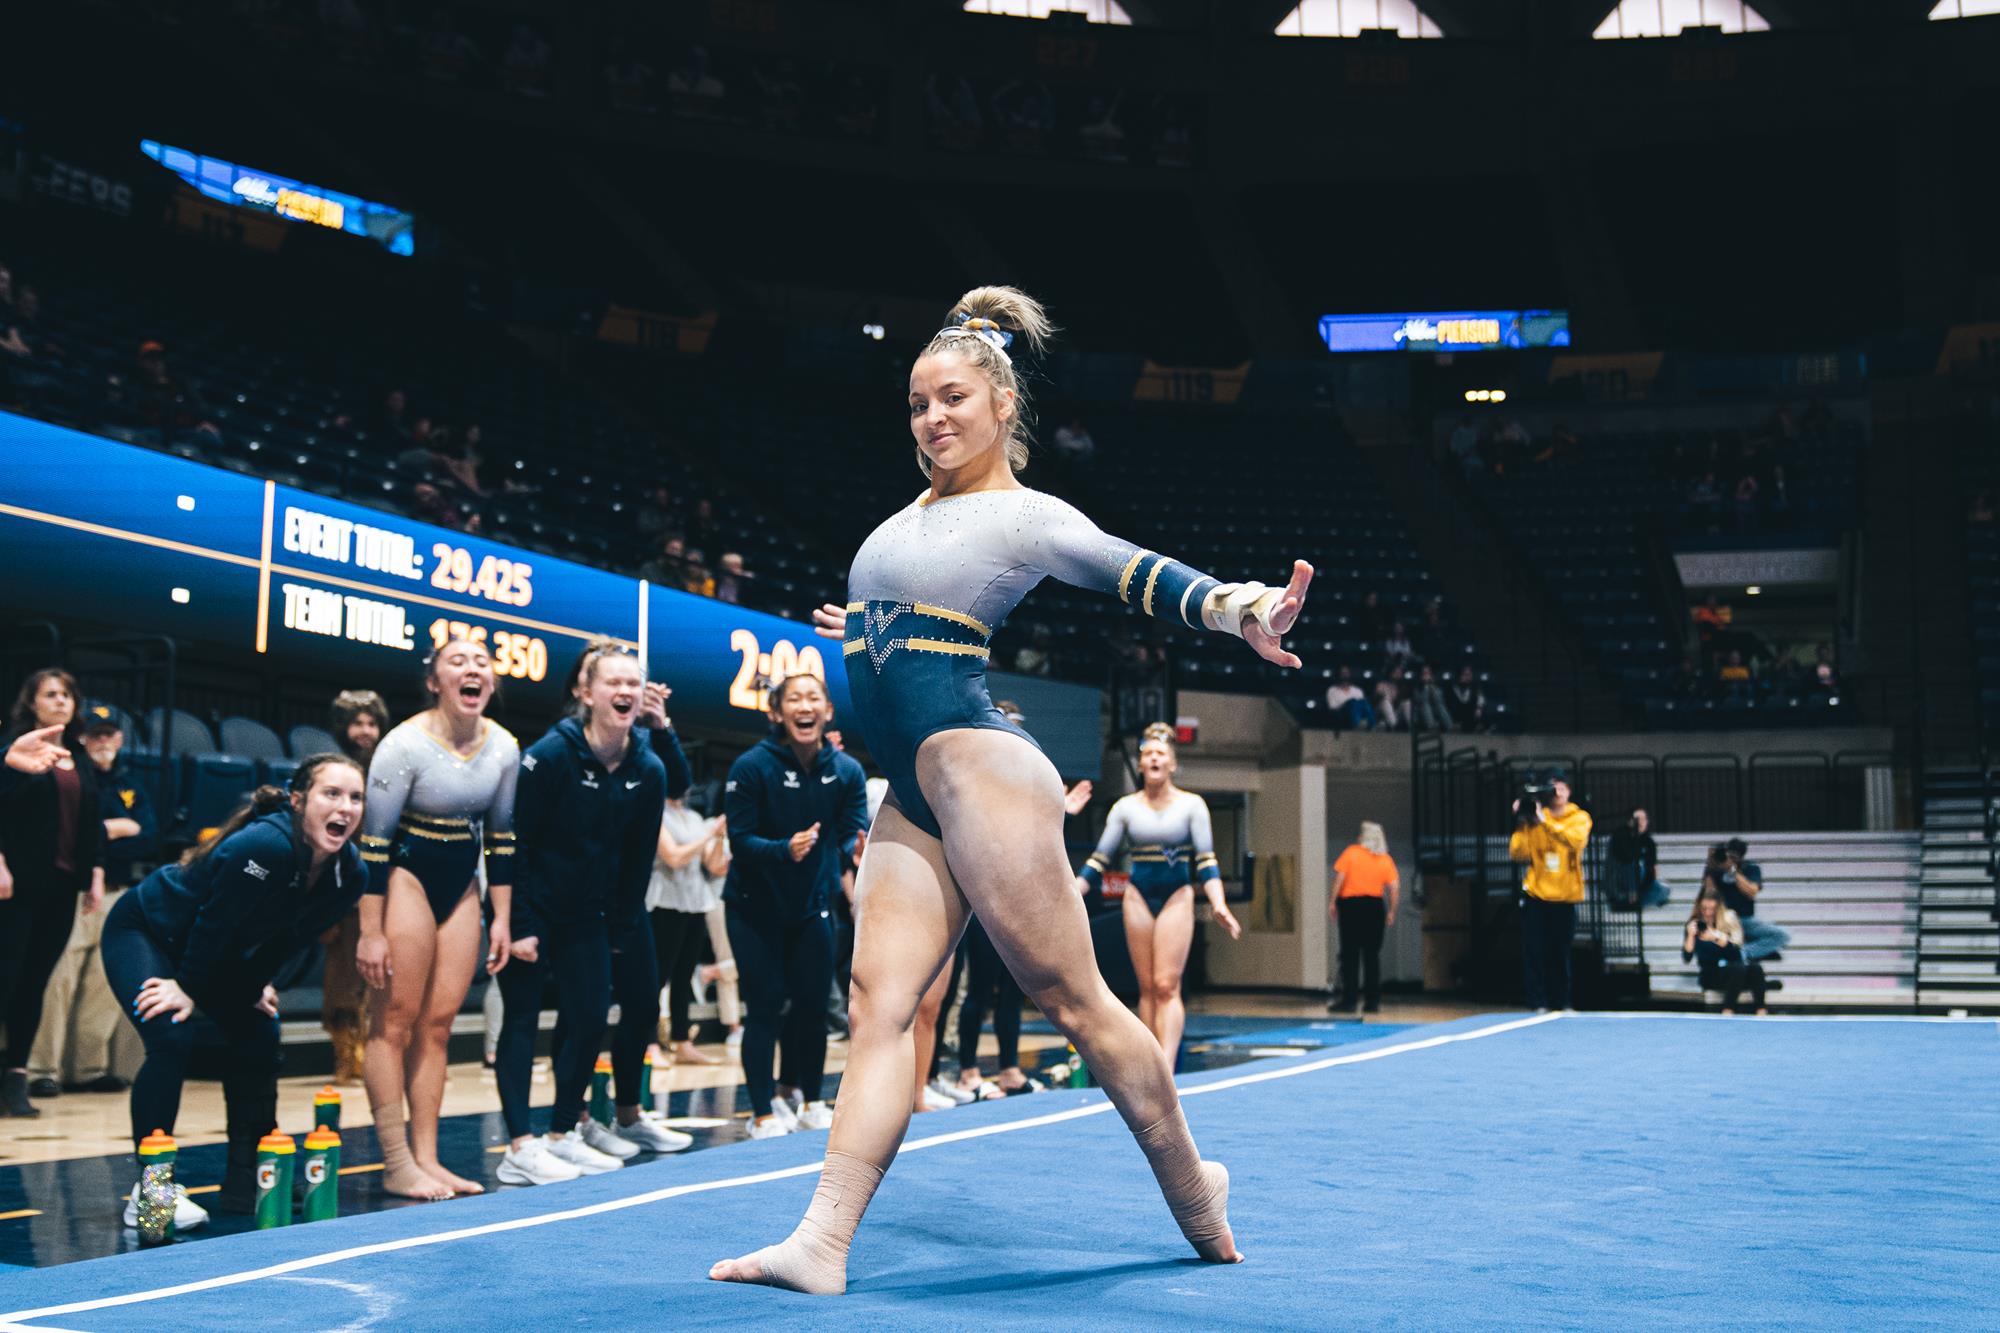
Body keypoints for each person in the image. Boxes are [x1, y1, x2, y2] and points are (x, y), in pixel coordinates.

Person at [714, 285, 1306, 1293]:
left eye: (951, 397)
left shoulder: (1023, 513)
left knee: (1071, 1001)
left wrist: (1235, 603)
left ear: (1001, 407)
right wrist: (859, 634)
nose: (932, 417)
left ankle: (1190, 1186)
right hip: (916, 784)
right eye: (915, 403)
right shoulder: (909, 519)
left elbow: (1129, 570)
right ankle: (820, 1241)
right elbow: (900, 624)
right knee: (878, 1007)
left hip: (975, 764)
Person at [96, 755, 368, 1227]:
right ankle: (152, 1195)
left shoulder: (351, 875)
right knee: (171, 1035)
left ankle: (249, 1182)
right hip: (147, 932)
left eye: (356, 798)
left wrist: (253, 984)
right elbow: (213, 923)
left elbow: (287, 941)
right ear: (298, 800)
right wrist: (185, 988)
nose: (344, 807)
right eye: (331, 794)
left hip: (206, 953)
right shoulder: (266, 845)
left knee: (261, 1032)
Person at [494, 642, 674, 1185]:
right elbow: (511, 842)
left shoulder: (649, 767)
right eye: (612, 682)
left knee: (591, 1017)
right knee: (523, 1022)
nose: (624, 691)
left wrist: (621, 925)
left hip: (589, 916)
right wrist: (519, 922)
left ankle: (561, 1132)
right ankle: (518, 1145)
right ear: (585, 691)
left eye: (632, 683)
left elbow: (639, 859)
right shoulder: (549, 755)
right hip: (536, 909)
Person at [356, 640, 519, 1199]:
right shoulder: (401, 745)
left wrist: (502, 918)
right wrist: (371, 931)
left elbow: (501, 838)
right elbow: (372, 845)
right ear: (433, 681)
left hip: (462, 883)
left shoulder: (504, 747)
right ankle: (396, 1160)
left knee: (439, 1025)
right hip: (405, 875)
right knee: (395, 1020)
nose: (472, 670)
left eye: (481, 664)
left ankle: (427, 1157)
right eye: (458, 662)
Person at [723, 674, 868, 1139]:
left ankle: (810, 1100)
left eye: (814, 698)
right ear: (777, 713)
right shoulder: (751, 766)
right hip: (753, 908)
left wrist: (856, 846)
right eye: (794, 699)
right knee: (764, 1008)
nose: (805, 706)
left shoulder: (846, 771)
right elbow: (740, 841)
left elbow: (849, 828)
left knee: (811, 1008)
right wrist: (783, 848)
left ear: (827, 712)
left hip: (812, 908)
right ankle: (762, 1111)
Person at [1076, 724, 1242, 1057]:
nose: (1154, 758)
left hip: (1176, 894)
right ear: (1139, 764)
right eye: (1148, 753)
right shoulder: (1125, 807)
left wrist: (1219, 903)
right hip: (1138, 894)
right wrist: (1073, 892)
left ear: (1172, 764)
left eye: (1161, 753)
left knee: (1167, 985)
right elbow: (1100, 859)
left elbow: (1206, 861)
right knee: (1148, 987)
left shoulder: (1192, 805)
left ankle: (1166, 1066)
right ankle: (1150, 1063)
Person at [28, 709, 154, 1098]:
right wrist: (114, 828)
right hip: (77, 889)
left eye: (109, 735)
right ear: (84, 739)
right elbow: (73, 833)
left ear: (118, 739)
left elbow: (149, 837)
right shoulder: (74, 775)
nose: (102, 743)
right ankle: (42, 1068)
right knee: (58, 979)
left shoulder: (131, 783)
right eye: (95, 735)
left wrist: (108, 834)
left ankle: (88, 1068)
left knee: (102, 983)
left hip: (117, 891)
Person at [0, 670, 106, 1118]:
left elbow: (91, 821)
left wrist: (95, 873)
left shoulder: (76, 757)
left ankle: (14, 1080)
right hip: (15, 885)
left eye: (67, 694)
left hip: (62, 887)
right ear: (32, 703)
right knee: (6, 979)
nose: (61, 701)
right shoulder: (14, 751)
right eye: (51, 694)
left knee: (33, 984)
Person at [322, 690, 389, 1084]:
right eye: (357, 723)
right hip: (341, 895)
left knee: (381, 981)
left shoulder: (387, 771)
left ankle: (379, 1053)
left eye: (371, 723)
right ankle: (347, 1058)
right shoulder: (329, 773)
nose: (365, 731)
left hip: (382, 890)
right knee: (342, 982)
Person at [1508, 773, 1590, 1012]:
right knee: (1535, 950)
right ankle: (1538, 1002)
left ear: (1569, 792)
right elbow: (1517, 852)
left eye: (1562, 788)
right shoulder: (1534, 819)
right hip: (1537, 894)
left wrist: (1545, 820)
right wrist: (1523, 820)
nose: (1558, 793)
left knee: (1560, 952)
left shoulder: (1579, 818)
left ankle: (1562, 1001)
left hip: (1565, 896)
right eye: (1553, 789)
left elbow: (1575, 841)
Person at [1328, 821, 1399, 1014]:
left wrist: (1332, 902)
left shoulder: (1352, 853)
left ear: (1363, 837)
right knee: (1371, 956)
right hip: (1375, 907)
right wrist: (1392, 911)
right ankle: (1372, 1002)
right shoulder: (1385, 859)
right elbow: (1394, 888)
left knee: (1350, 955)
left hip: (1351, 907)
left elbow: (1339, 878)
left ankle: (1349, 1001)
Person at [1682, 886, 1768, 1015]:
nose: (1708, 912)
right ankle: (1728, 1009)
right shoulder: (1694, 926)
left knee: (1755, 968)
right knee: (1738, 969)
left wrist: (1718, 938)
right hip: (1711, 973)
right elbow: (1687, 957)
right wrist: (1690, 935)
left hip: (1734, 971)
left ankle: (1761, 1010)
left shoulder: (1726, 922)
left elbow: (1736, 953)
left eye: (1712, 909)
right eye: (1704, 909)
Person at [1714, 838, 1788, 962]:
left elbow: (1751, 891)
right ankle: (1751, 952)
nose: (1731, 860)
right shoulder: (1717, 868)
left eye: (1734, 857)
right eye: (1729, 856)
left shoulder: (1750, 868)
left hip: (1746, 919)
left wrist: (1733, 871)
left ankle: (1743, 953)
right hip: (1724, 919)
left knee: (1781, 935)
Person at [1607, 809, 1670, 911]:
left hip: (1641, 883)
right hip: (1622, 880)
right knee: (1635, 865)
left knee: (1665, 890)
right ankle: (1632, 900)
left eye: (1644, 819)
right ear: (1630, 821)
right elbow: (1624, 859)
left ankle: (1635, 902)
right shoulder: (1620, 836)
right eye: (1638, 819)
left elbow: (1652, 866)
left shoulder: (1649, 842)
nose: (1641, 822)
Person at [1324, 666, 1376, 730]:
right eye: (1343, 673)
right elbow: (1332, 708)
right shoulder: (1332, 690)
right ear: (1339, 674)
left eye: (1346, 673)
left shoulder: (1357, 690)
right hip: (1342, 715)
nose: (1345, 675)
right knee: (1352, 702)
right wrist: (1348, 703)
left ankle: (1372, 724)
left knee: (1364, 702)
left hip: (1358, 713)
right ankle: (1357, 724)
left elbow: (1363, 706)